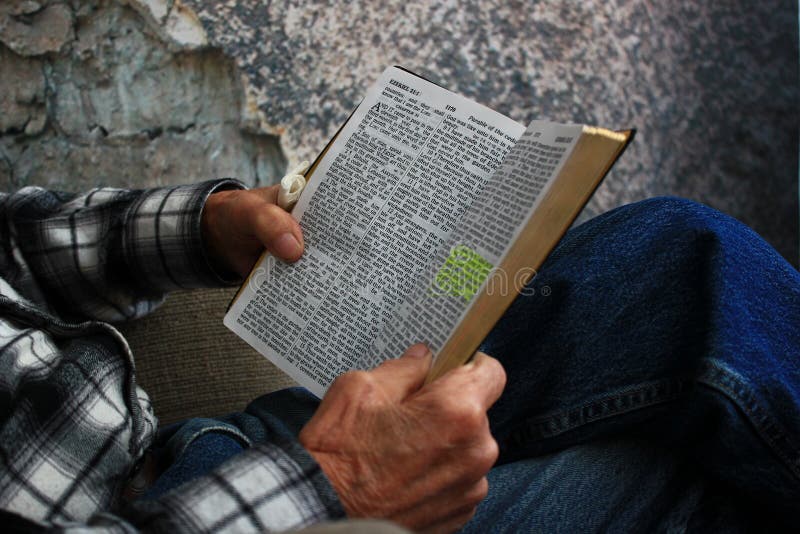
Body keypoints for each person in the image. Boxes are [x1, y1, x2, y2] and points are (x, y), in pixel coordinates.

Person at [0, 179, 797, 532]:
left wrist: (203, 227)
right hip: (245, 514)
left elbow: (16, 248)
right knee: (677, 479)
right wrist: (338, 486)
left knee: (680, 252)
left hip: (194, 453)